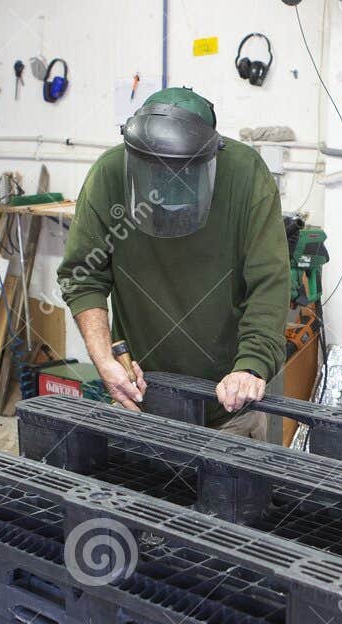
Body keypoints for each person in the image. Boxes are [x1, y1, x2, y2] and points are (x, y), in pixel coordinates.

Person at [56, 87, 287, 439]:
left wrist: (251, 367)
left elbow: (268, 284)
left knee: (232, 493)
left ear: (212, 154)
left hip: (228, 408)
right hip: (140, 398)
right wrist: (104, 360)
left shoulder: (246, 175)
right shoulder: (109, 175)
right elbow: (83, 275)